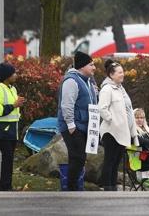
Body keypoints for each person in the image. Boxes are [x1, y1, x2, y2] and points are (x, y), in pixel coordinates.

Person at [57, 51, 98, 192]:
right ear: (82, 66)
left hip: (83, 125)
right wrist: (71, 125)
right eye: (91, 65)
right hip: (73, 126)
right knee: (77, 157)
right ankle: (71, 188)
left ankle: (73, 187)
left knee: (79, 158)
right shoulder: (71, 81)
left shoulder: (87, 81)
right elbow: (66, 105)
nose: (94, 68)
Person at [98, 59, 137, 191]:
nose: (122, 74)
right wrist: (113, 121)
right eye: (119, 72)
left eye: (123, 72)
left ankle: (113, 187)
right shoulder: (107, 89)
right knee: (110, 160)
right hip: (111, 132)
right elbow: (102, 109)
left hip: (122, 131)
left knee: (116, 162)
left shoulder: (121, 89)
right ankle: (107, 187)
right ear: (111, 75)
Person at [0, 61, 22, 191]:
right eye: (14, 73)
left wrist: (17, 105)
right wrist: (14, 105)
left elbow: (13, 110)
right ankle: (5, 187)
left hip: (11, 130)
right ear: (7, 75)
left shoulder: (12, 88)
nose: (16, 75)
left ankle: (6, 186)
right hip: (1, 130)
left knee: (9, 158)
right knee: (7, 157)